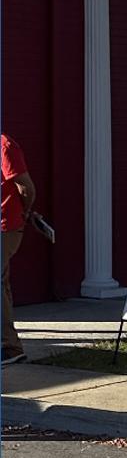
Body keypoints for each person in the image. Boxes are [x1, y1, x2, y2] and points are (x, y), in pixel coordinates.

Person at [1, 133, 36, 365]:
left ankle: (9, 348)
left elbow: (26, 187)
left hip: (5, 225)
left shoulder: (5, 145)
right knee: (2, 284)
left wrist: (24, 211)